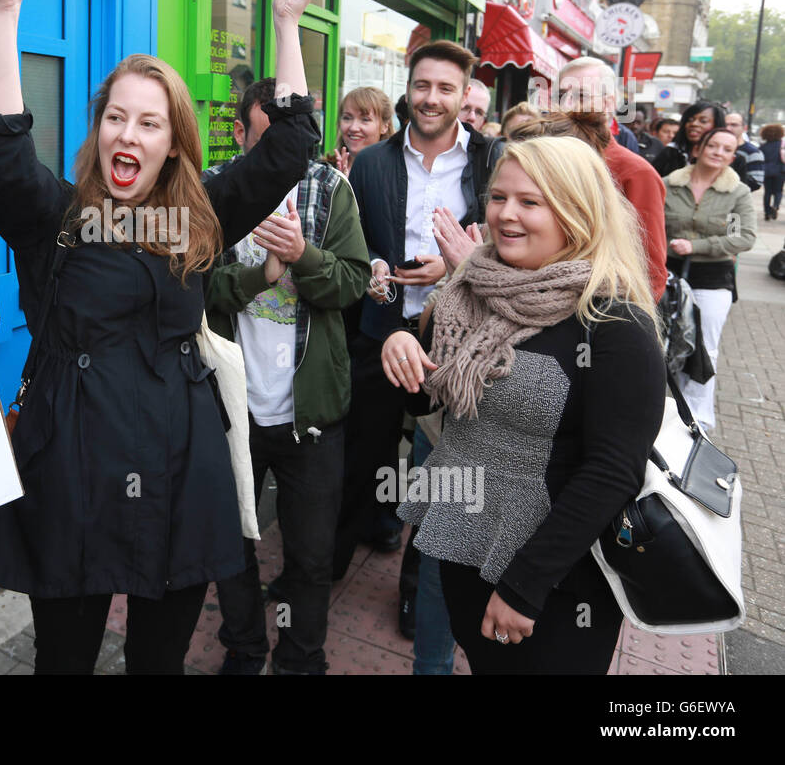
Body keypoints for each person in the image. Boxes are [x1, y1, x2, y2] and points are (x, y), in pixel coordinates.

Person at [0, 0, 321, 674]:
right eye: (117, 117)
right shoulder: (55, 218)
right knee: (63, 660)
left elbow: (288, 148)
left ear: (172, 143)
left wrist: (286, 24)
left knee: (158, 663)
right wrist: (6, 11)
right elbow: (0, 156)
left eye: (149, 122)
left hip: (179, 464)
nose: (129, 133)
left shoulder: (201, 217)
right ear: (99, 130)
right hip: (72, 463)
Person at [384, 136, 666, 674]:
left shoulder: (614, 325)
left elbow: (611, 472)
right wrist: (400, 346)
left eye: (529, 202)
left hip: (551, 584)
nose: (505, 215)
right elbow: (434, 395)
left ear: (577, 212)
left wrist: (524, 587)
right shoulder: (478, 288)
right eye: (497, 197)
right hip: (462, 545)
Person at [333, 40, 501, 627]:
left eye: (445, 89)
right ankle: (336, 554)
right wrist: (378, 264)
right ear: (409, 88)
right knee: (367, 448)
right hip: (382, 330)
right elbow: (354, 239)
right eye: (423, 86)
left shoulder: (490, 161)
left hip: (459, 339)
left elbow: (512, 245)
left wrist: (457, 264)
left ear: (464, 96)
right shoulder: (375, 160)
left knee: (442, 468)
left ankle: (416, 588)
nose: (432, 99)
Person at [206, 77, 371, 675]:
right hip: (233, 409)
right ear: (243, 132)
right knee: (231, 546)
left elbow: (353, 284)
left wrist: (302, 256)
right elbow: (196, 287)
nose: (281, 149)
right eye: (265, 134)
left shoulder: (331, 189)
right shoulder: (218, 190)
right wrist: (260, 276)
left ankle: (301, 660)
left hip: (312, 415)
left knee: (308, 554)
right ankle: (245, 649)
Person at [664, 128, 758, 432]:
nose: (718, 151)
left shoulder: (737, 192)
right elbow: (650, 224)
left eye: (726, 148)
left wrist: (698, 246)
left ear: (732, 156)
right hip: (669, 275)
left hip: (713, 278)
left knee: (704, 348)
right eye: (712, 145)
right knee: (668, 343)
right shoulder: (670, 184)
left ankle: (698, 420)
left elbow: (742, 237)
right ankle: (667, 410)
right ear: (698, 149)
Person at [553, 57, 669, 301]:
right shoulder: (542, 158)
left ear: (609, 103)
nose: (568, 104)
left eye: (582, 95)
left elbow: (651, 269)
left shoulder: (636, 173)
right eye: (562, 95)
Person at [331, 86, 393, 176]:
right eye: (347, 118)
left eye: (365, 119)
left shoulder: (396, 173)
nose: (353, 128)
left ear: (385, 126)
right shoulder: (325, 172)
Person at [725, 111, 765, 192]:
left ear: (744, 128)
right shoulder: (714, 148)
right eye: (725, 124)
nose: (728, 128)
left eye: (734, 125)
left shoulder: (752, 152)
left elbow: (756, 183)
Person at [760, 123, 784, 221]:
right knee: (778, 191)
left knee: (767, 192)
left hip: (767, 171)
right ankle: (776, 205)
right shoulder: (782, 146)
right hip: (780, 172)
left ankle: (767, 212)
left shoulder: (763, 146)